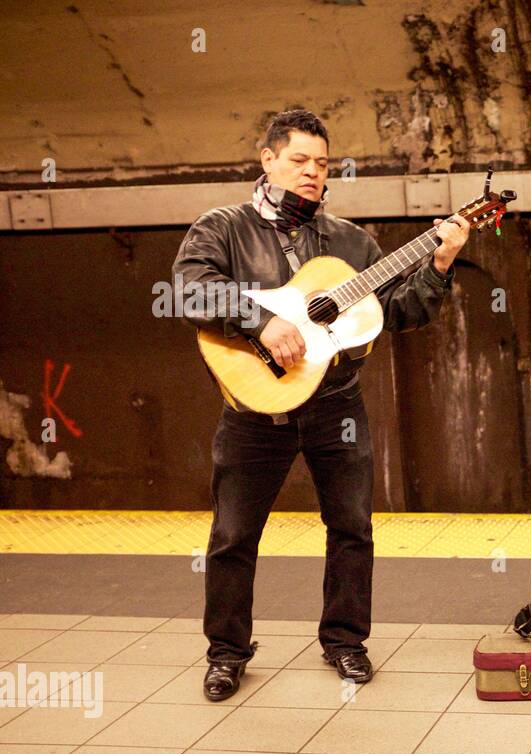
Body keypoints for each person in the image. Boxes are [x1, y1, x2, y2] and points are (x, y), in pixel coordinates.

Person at [174, 108, 469, 701]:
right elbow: (188, 288)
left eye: (322, 163)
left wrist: (439, 262)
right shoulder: (223, 228)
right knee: (233, 534)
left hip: (336, 404)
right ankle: (227, 652)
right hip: (254, 410)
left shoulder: (350, 242)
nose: (312, 172)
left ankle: (345, 642)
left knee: (352, 528)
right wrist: (261, 320)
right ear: (268, 160)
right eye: (299, 160)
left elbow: (400, 313)